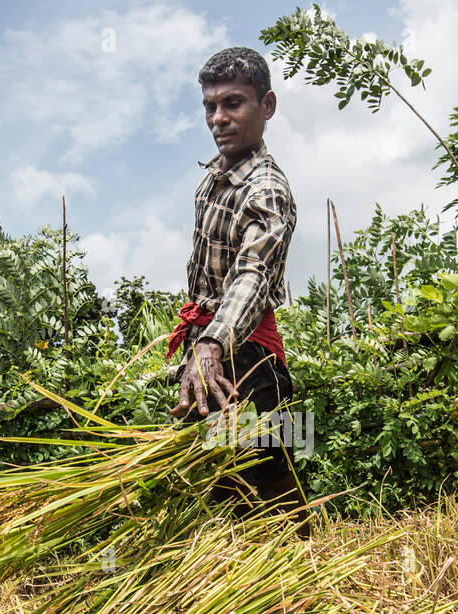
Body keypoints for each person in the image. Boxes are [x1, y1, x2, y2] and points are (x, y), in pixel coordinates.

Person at [168, 46, 309, 534]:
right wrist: (197, 348)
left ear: (266, 106)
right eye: (210, 106)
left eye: (234, 103)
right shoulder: (212, 181)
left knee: (269, 484)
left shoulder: (266, 190)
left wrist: (209, 344)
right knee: (217, 487)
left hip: (250, 362)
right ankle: (237, 590)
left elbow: (253, 276)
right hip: (209, 357)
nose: (218, 118)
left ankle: (301, 584)